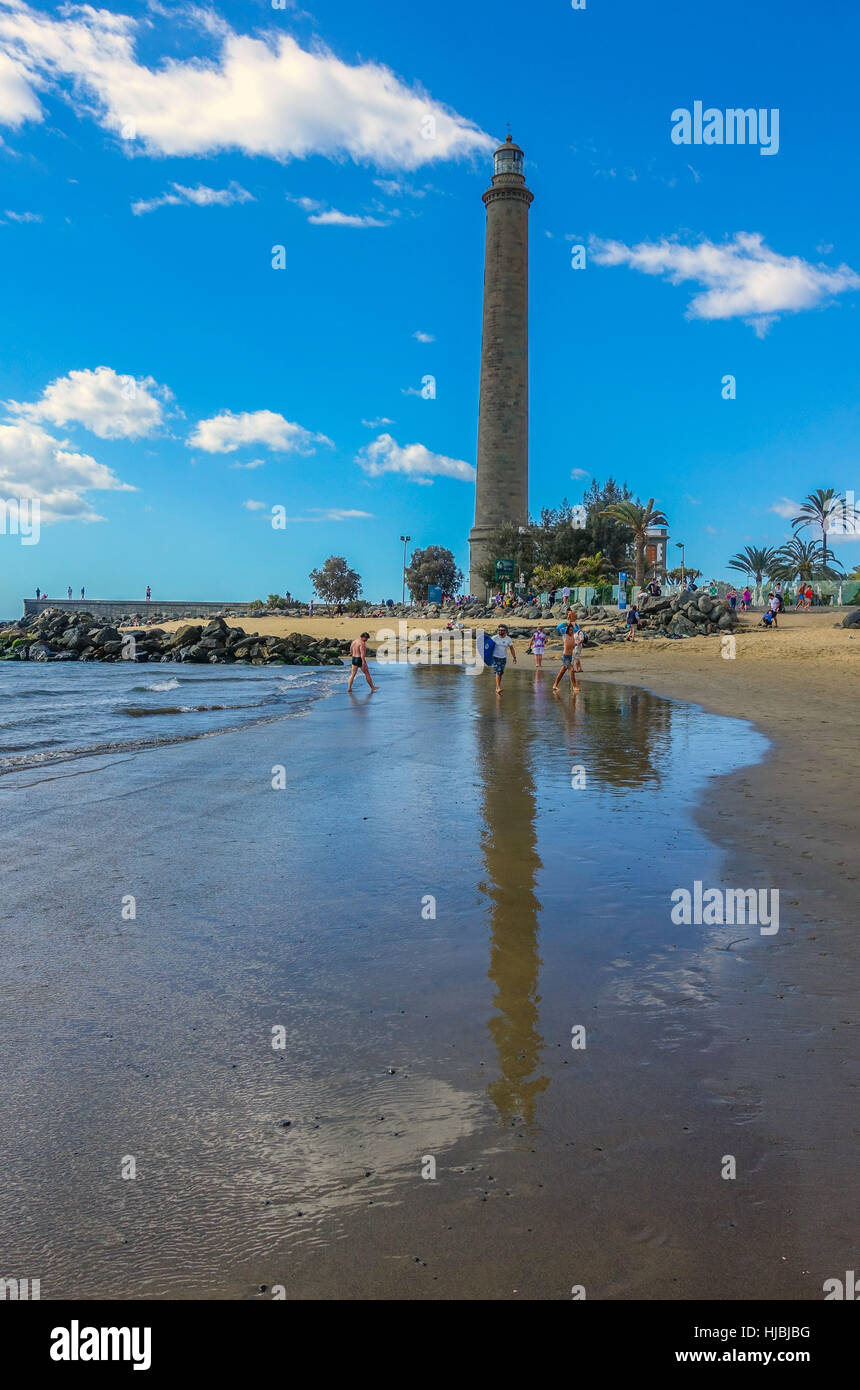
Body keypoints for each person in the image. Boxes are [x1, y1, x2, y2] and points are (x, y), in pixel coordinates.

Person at [552, 624, 579, 694]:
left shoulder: (573, 635)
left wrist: (574, 624)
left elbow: (577, 629)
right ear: (567, 630)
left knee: (562, 672)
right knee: (572, 670)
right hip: (565, 657)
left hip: (570, 657)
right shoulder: (565, 635)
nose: (571, 631)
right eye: (570, 630)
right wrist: (565, 623)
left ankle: (555, 685)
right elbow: (558, 628)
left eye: (572, 630)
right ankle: (574, 687)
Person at [491, 624, 516, 695]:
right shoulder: (494, 638)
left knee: (500, 673)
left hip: (503, 658)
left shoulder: (508, 639)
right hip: (495, 657)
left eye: (502, 630)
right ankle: (498, 687)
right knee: (498, 671)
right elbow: (488, 647)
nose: (500, 631)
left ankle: (497, 688)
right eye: (499, 630)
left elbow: (511, 648)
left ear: (506, 631)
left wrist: (514, 657)